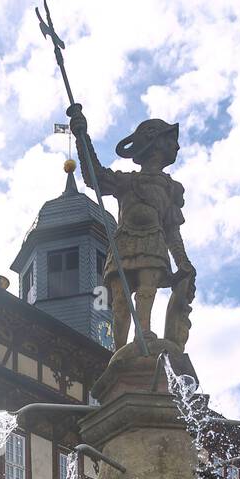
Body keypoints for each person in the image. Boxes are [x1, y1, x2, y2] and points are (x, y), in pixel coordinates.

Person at [67, 104, 196, 350]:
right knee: (120, 301)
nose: (177, 146)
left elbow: (172, 230)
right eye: (171, 140)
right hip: (124, 243)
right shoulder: (127, 181)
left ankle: (144, 333)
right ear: (155, 143)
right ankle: (119, 349)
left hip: (154, 242)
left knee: (148, 289)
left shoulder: (171, 189)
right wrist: (82, 138)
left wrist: (183, 261)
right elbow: (95, 176)